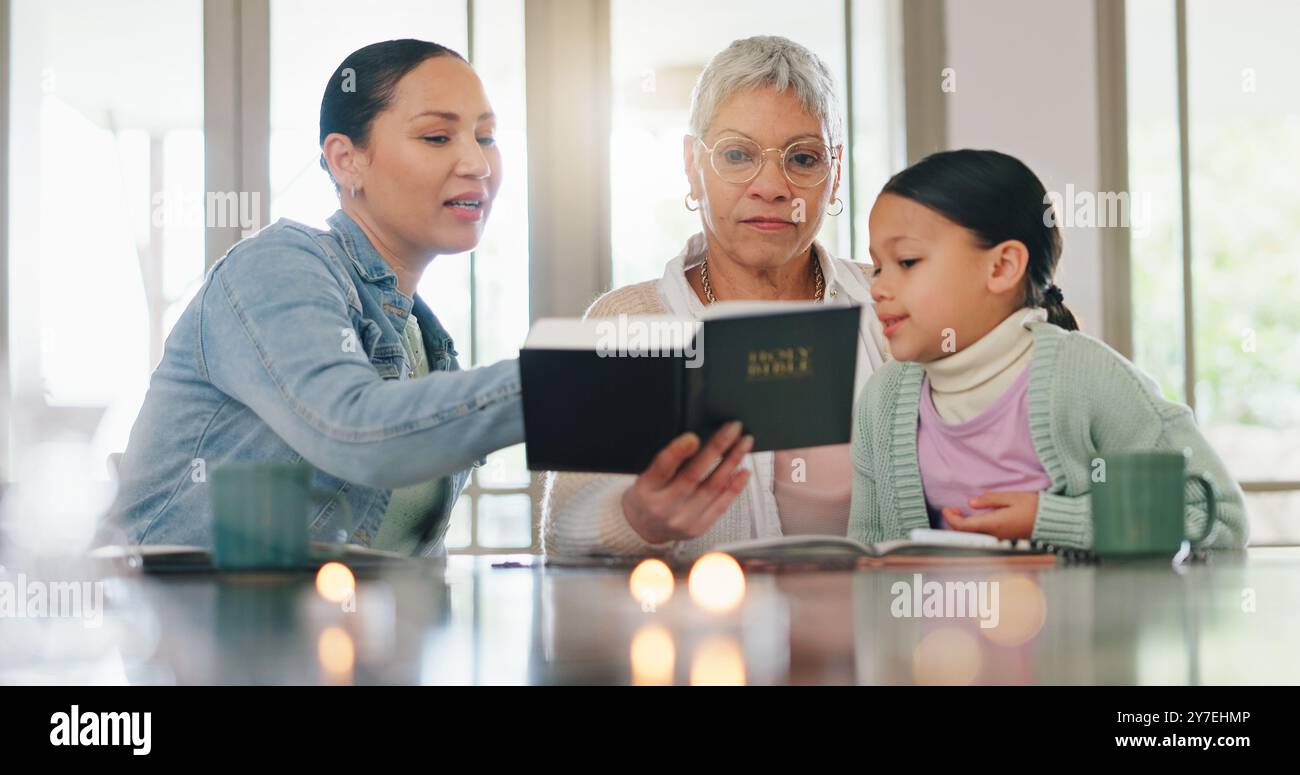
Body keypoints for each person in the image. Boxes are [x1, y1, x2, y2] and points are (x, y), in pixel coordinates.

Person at [110, 40, 522, 556]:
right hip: (175, 626)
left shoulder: (426, 341)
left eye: (486, 136)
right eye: (437, 136)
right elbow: (354, 431)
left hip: (315, 632)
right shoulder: (274, 266)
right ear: (347, 161)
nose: (477, 163)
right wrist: (555, 383)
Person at [543, 36, 889, 559]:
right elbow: (563, 535)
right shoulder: (623, 321)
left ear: (834, 173)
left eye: (802, 158)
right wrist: (638, 517)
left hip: (874, 636)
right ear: (691, 165)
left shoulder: (893, 305)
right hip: (692, 635)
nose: (771, 185)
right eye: (736, 154)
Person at [850, 148, 1248, 549]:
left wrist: (1050, 519)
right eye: (878, 267)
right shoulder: (882, 400)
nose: (878, 287)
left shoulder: (1088, 377)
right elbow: (867, 560)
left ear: (1003, 266)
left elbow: (1219, 519)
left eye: (907, 261)